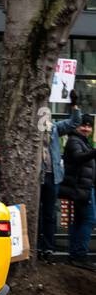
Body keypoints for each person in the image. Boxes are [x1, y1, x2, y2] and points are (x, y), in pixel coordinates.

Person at [40, 104, 84, 261]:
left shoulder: (54, 128)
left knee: (49, 214)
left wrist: (75, 106)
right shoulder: (32, 132)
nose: (44, 119)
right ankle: (37, 246)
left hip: (53, 177)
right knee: (36, 213)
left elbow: (74, 122)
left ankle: (48, 248)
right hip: (38, 178)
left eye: (46, 116)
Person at [58, 114, 96, 269]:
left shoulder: (82, 141)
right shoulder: (74, 141)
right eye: (83, 125)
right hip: (80, 189)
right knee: (89, 219)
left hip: (84, 188)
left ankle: (75, 254)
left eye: (89, 126)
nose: (86, 129)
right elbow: (78, 157)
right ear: (77, 126)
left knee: (80, 220)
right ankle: (79, 254)